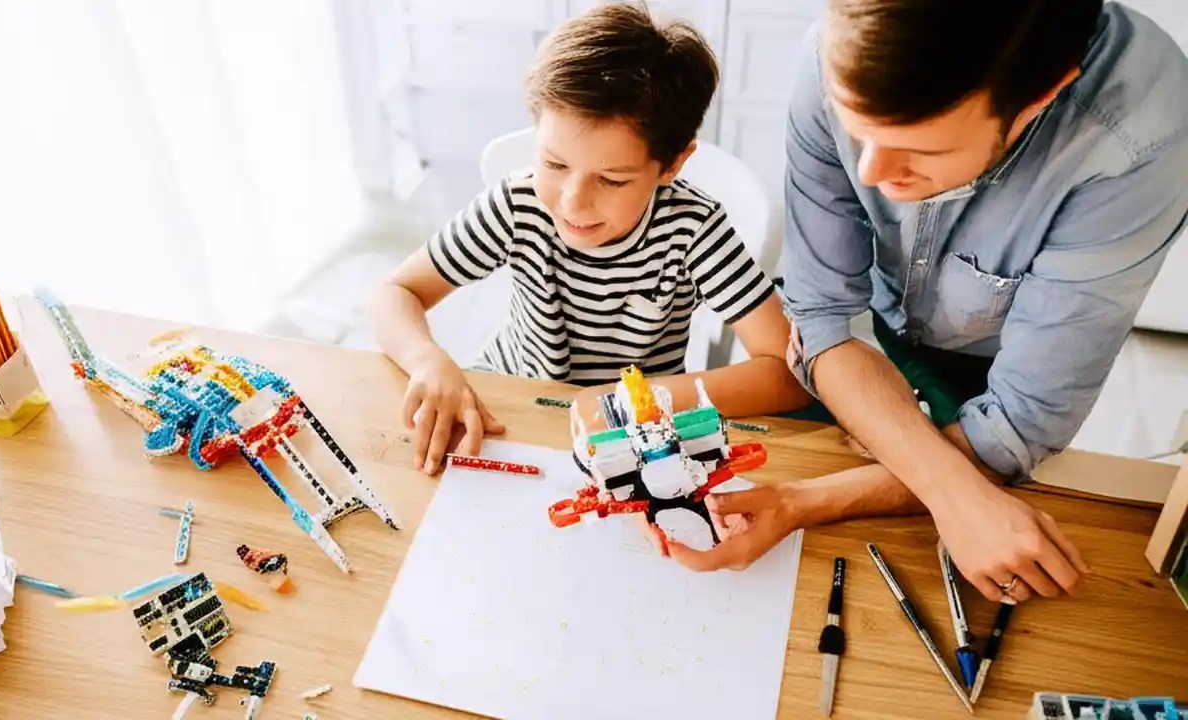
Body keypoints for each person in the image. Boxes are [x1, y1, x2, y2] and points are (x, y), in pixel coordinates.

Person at [667, 0, 1188, 603]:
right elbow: (824, 317)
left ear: (1039, 98)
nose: (868, 172)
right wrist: (954, 493)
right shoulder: (832, 52)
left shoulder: (1141, 138)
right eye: (858, 131)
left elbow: (1018, 424)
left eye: (921, 152)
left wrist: (812, 500)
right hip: (867, 330)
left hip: (986, 369)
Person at [369, 2, 809, 476]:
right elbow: (394, 293)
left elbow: (790, 373)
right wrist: (427, 360)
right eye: (555, 165)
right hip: (506, 407)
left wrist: (632, 400)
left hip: (632, 433)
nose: (573, 202)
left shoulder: (692, 228)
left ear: (674, 165)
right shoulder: (518, 203)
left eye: (612, 180)